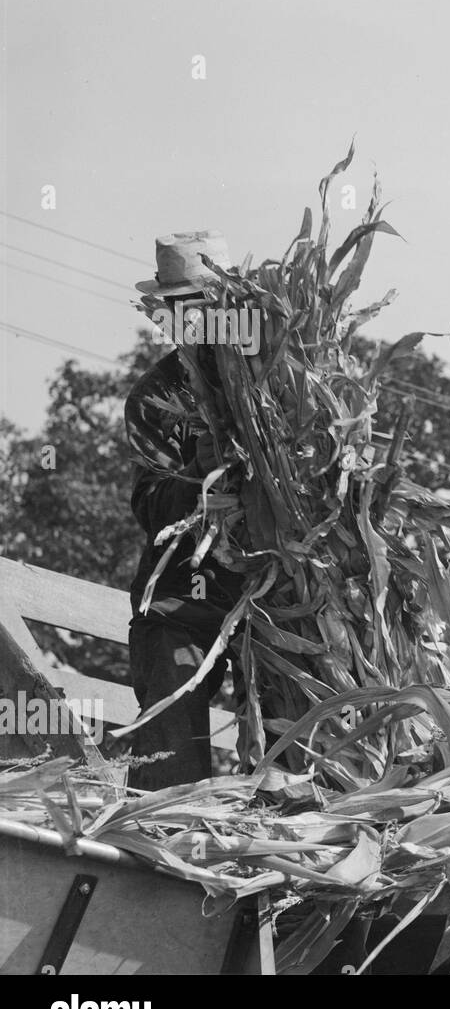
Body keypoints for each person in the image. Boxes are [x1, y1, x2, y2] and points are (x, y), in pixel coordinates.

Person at [125, 231, 244, 790]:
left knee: (296, 725)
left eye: (200, 305)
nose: (188, 318)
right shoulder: (154, 396)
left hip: (280, 594)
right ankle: (160, 853)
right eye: (176, 307)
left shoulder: (279, 381)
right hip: (180, 595)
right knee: (169, 744)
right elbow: (149, 500)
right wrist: (198, 486)